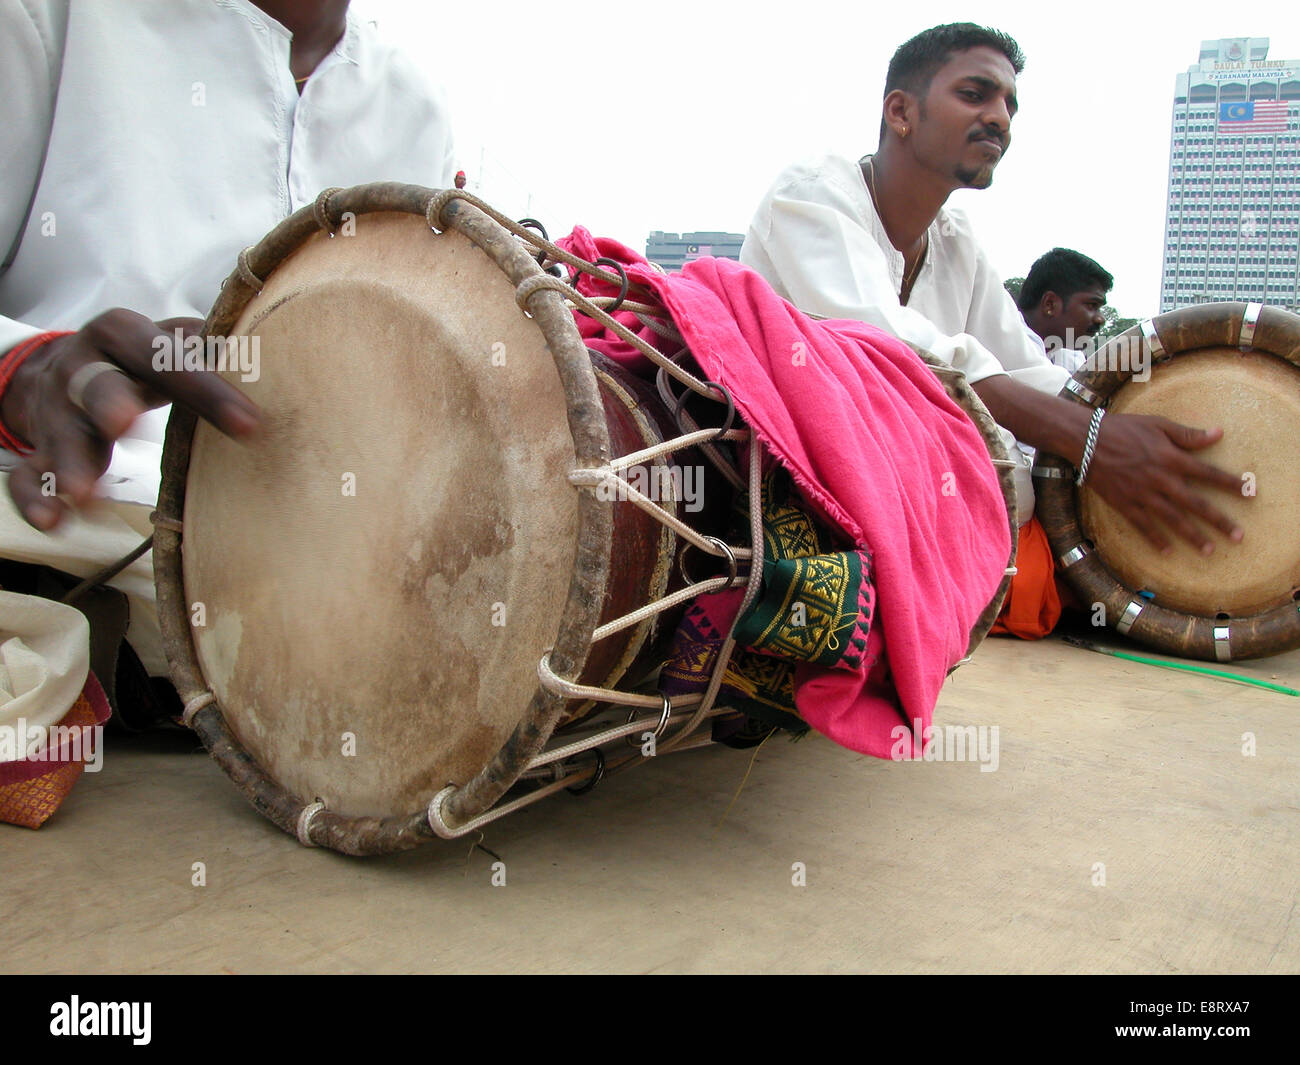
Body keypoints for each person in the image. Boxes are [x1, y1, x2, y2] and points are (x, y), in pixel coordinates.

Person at [0, 0, 455, 813]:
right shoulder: (51, 21)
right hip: (73, 557)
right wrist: (24, 371)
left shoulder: (413, 108)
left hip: (342, 637)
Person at [742, 22, 1244, 561]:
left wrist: (1141, 425)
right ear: (901, 113)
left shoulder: (956, 243)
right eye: (974, 94)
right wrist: (1088, 438)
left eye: (1010, 105)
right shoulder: (814, 192)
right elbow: (885, 346)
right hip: (774, 493)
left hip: (912, 509)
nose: (1000, 118)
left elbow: (1028, 369)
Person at [1018, 248, 1113, 373]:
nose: (1100, 319)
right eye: (1092, 305)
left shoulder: (1071, 359)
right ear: (1050, 304)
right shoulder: (999, 346)